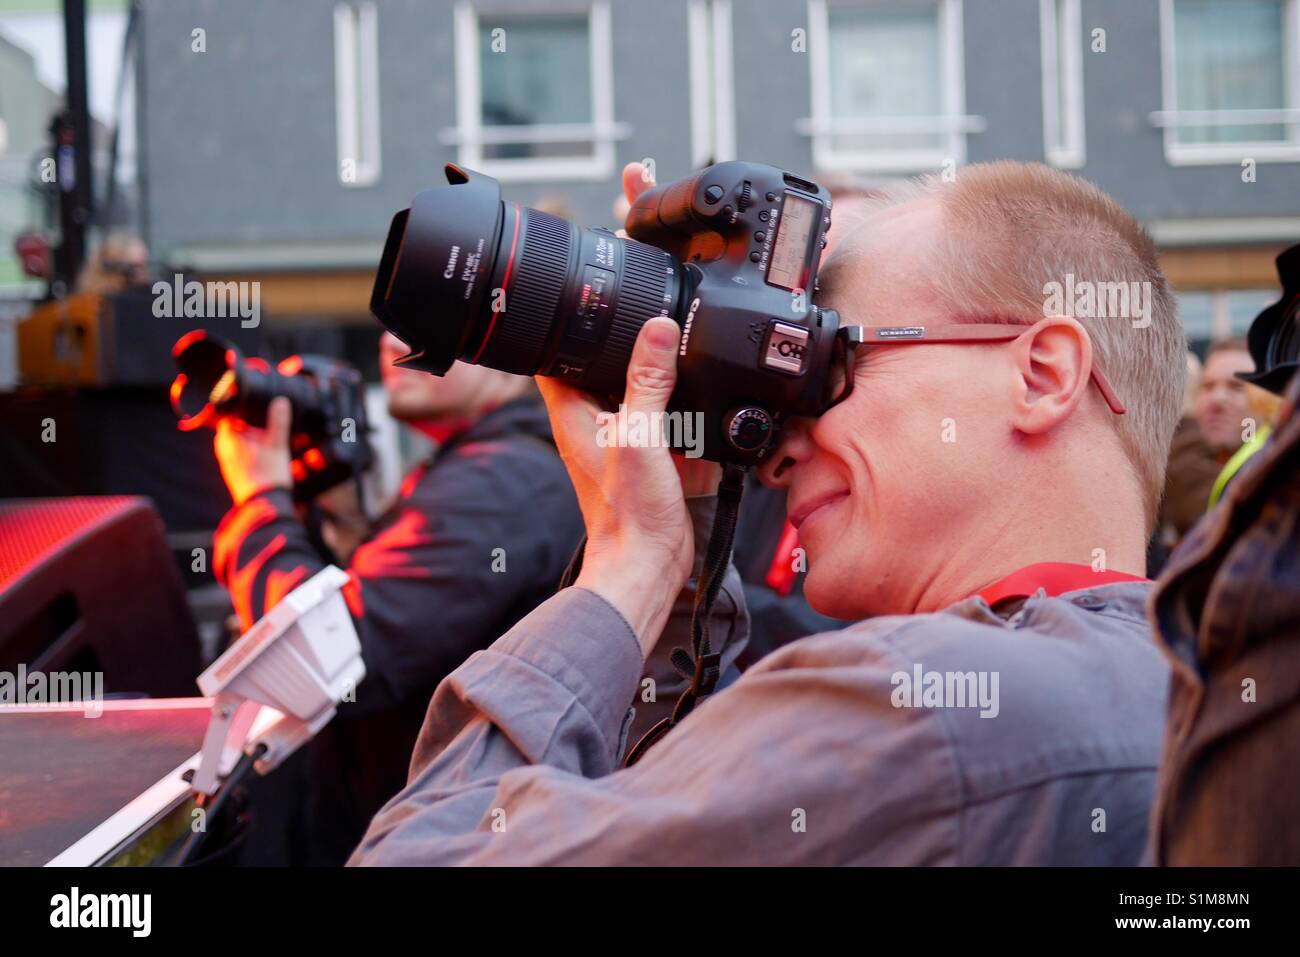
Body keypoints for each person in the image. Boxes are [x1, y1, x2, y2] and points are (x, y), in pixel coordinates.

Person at [350, 160, 1186, 866]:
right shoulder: (1191, 692)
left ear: (1041, 374)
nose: (781, 451)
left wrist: (626, 567)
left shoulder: (922, 716)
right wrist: (685, 546)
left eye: (831, 363)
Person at [209, 332, 588, 863]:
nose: (391, 340)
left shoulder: (502, 483)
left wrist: (258, 504)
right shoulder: (485, 465)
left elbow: (330, 661)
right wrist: (339, 526)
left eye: (426, 314)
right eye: (389, 321)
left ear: (512, 354)